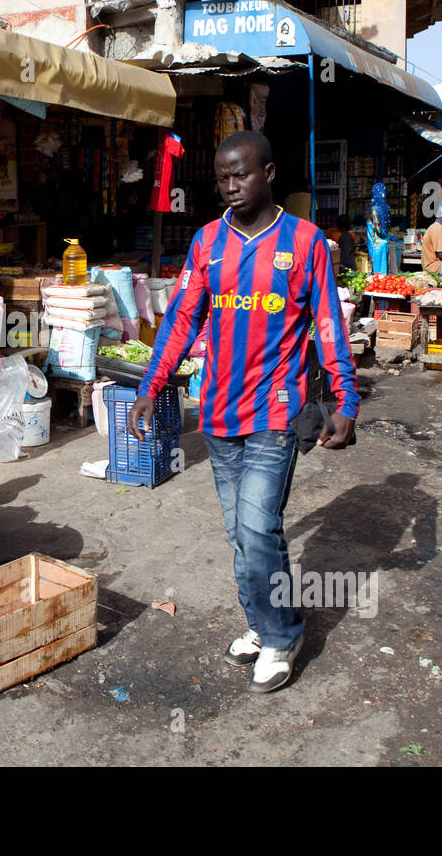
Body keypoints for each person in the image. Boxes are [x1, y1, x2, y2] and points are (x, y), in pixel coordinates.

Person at [128, 130, 358, 693]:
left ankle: (282, 636)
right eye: (222, 177)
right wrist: (151, 384)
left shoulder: (305, 242)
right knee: (241, 533)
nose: (231, 186)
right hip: (218, 413)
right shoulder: (207, 241)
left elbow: (328, 321)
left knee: (258, 528)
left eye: (242, 175)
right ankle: (261, 624)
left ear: (270, 173)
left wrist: (345, 399)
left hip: (277, 411)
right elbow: (182, 318)